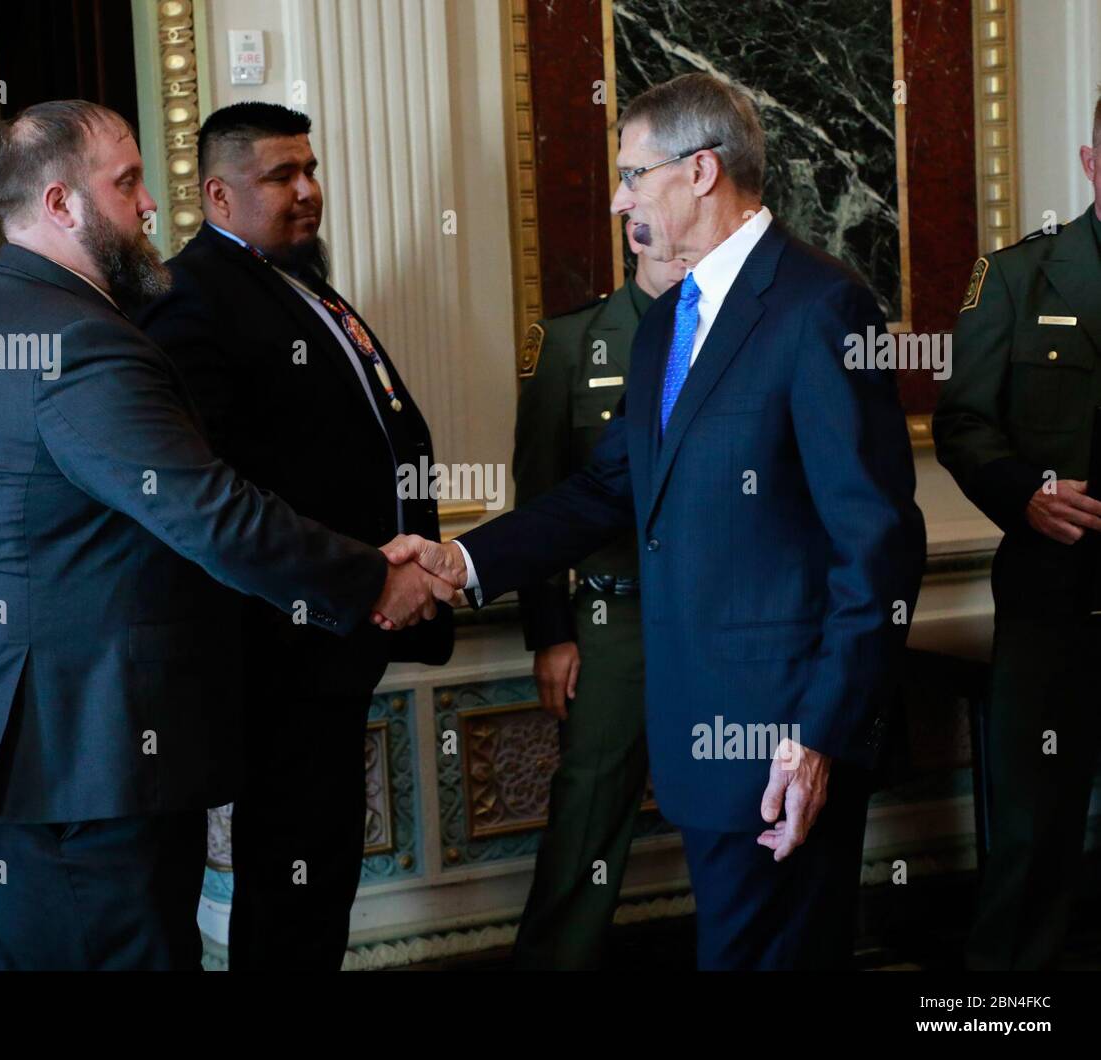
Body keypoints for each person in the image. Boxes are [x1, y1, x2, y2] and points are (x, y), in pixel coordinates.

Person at [378, 73, 926, 970]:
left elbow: (879, 544)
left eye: (635, 173)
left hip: (783, 741)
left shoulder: (821, 306)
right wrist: (459, 562)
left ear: (701, 171)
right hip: (700, 736)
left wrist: (819, 738)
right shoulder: (668, 321)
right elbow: (607, 490)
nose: (618, 196)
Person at [0, 100, 452, 970]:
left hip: (16, 745)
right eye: (126, 185)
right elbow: (213, 514)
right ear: (59, 205)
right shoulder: (81, 342)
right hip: (84, 757)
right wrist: (371, 578)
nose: (150, 205)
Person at [135, 102, 452, 971]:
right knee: (293, 889)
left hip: (339, 637)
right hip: (279, 650)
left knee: (321, 881)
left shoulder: (298, 276)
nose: (308, 191)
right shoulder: (188, 294)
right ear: (218, 194)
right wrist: (357, 578)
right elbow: (219, 493)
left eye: (310, 170)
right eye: (281, 176)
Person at [933, 91, 1101, 970]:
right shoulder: (1014, 278)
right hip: (1056, 600)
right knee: (1033, 838)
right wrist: (1027, 493)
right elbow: (963, 424)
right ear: (1090, 164)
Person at [511, 222, 684, 969]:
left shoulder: (745, 331)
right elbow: (540, 500)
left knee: (749, 800)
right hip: (618, 618)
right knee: (588, 812)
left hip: (723, 617)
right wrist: (552, 631)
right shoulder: (571, 345)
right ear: (635, 231)